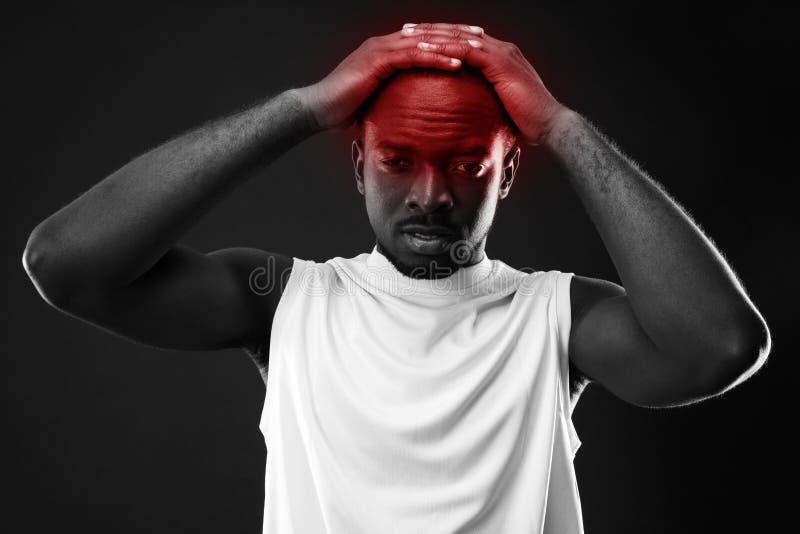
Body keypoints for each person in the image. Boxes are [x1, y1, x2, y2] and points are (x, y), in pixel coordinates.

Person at [23, 21, 770, 533]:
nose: (431, 195)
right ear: (359, 164)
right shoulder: (284, 301)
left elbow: (719, 346)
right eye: (396, 160)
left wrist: (558, 125)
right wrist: (306, 107)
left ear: (507, 177)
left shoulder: (557, 316)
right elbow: (66, 264)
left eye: (468, 165)